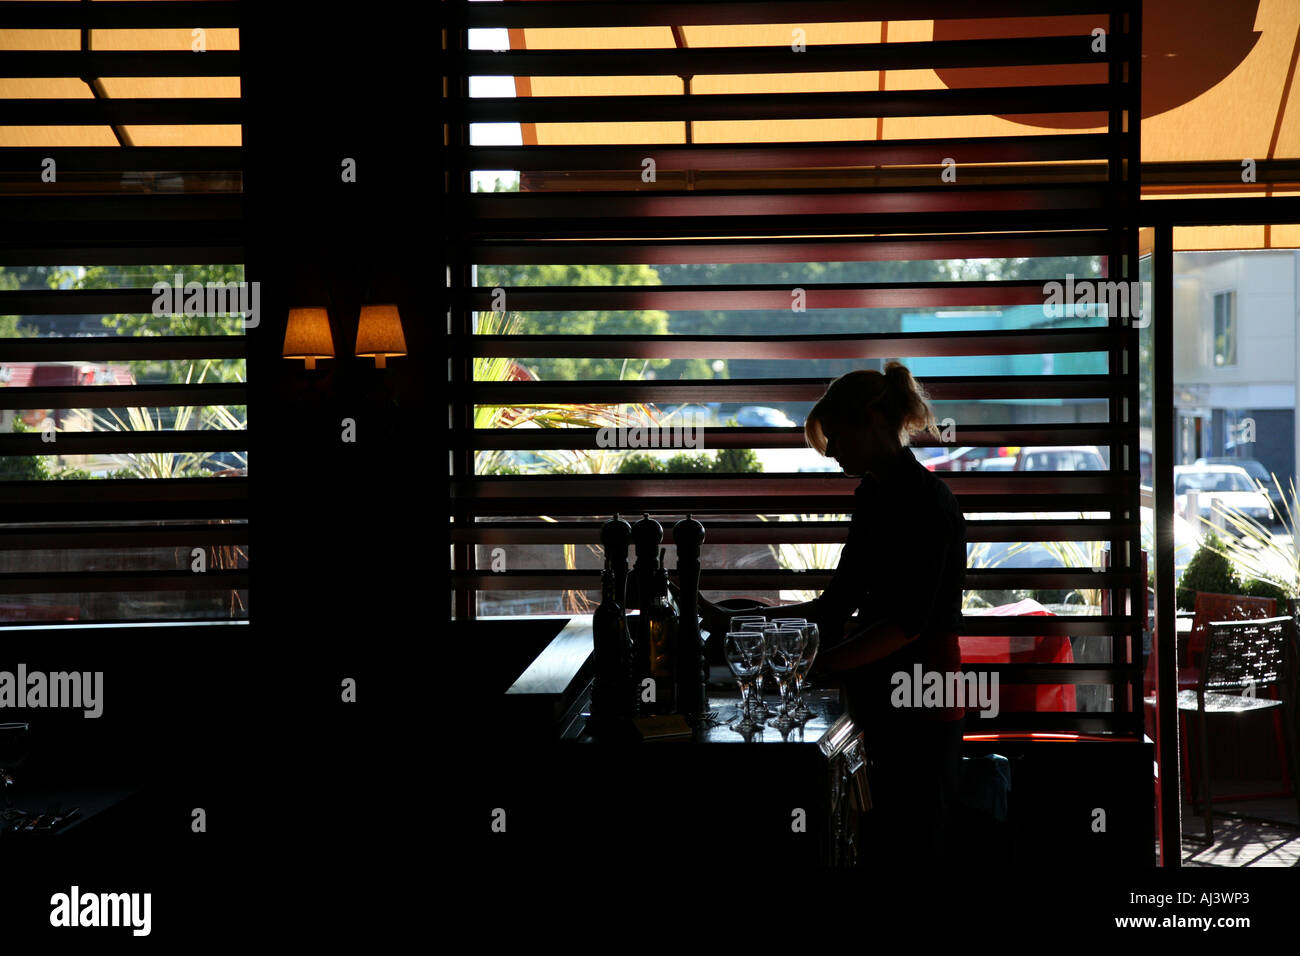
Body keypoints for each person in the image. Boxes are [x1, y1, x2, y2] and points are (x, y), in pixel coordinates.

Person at [697, 362, 967, 867]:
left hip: (921, 699)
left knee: (913, 839)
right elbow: (836, 604)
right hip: (895, 688)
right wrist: (738, 622)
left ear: (869, 420)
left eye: (838, 435)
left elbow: (905, 625)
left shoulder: (926, 502)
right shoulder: (877, 494)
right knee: (889, 835)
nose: (833, 450)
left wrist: (817, 666)